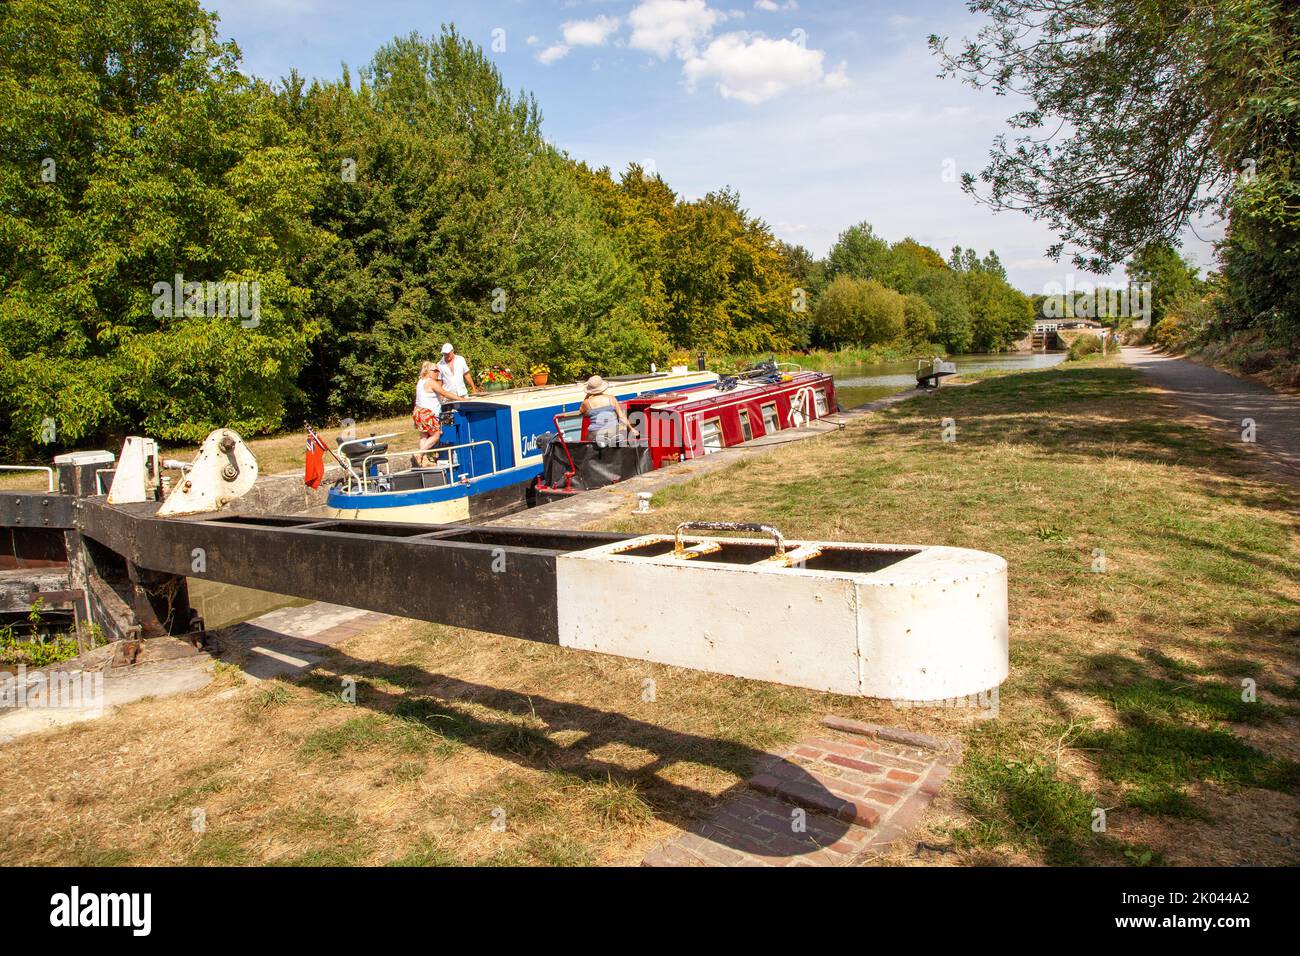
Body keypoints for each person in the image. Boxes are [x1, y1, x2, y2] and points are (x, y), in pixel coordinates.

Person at [413, 361, 459, 468]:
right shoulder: (431, 382)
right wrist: (461, 399)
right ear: (428, 371)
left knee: (424, 436)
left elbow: (426, 397)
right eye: (435, 370)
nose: (438, 372)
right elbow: (445, 393)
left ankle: (423, 461)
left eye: (438, 370)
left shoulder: (420, 381)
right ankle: (419, 454)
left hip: (418, 412)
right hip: (427, 413)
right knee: (436, 435)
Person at [579, 375, 639, 446]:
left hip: (596, 432)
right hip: (614, 429)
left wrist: (587, 396)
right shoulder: (611, 398)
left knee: (586, 444)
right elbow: (621, 417)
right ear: (602, 387)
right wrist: (632, 429)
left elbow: (581, 412)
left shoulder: (587, 402)